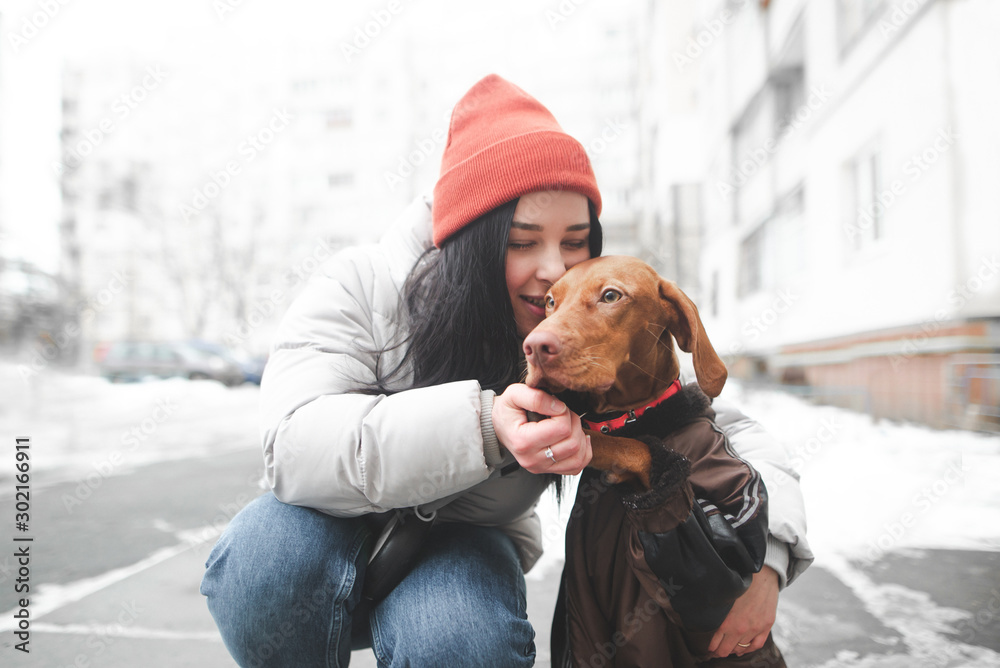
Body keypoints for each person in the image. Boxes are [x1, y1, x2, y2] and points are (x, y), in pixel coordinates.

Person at [200, 74, 813, 667]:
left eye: (575, 241)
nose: (553, 268)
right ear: (472, 238)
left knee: (463, 638)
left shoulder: (573, 338)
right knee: (266, 556)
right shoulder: (363, 286)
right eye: (522, 242)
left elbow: (710, 429)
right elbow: (292, 444)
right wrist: (484, 426)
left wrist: (767, 563)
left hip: (466, 543)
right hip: (325, 532)